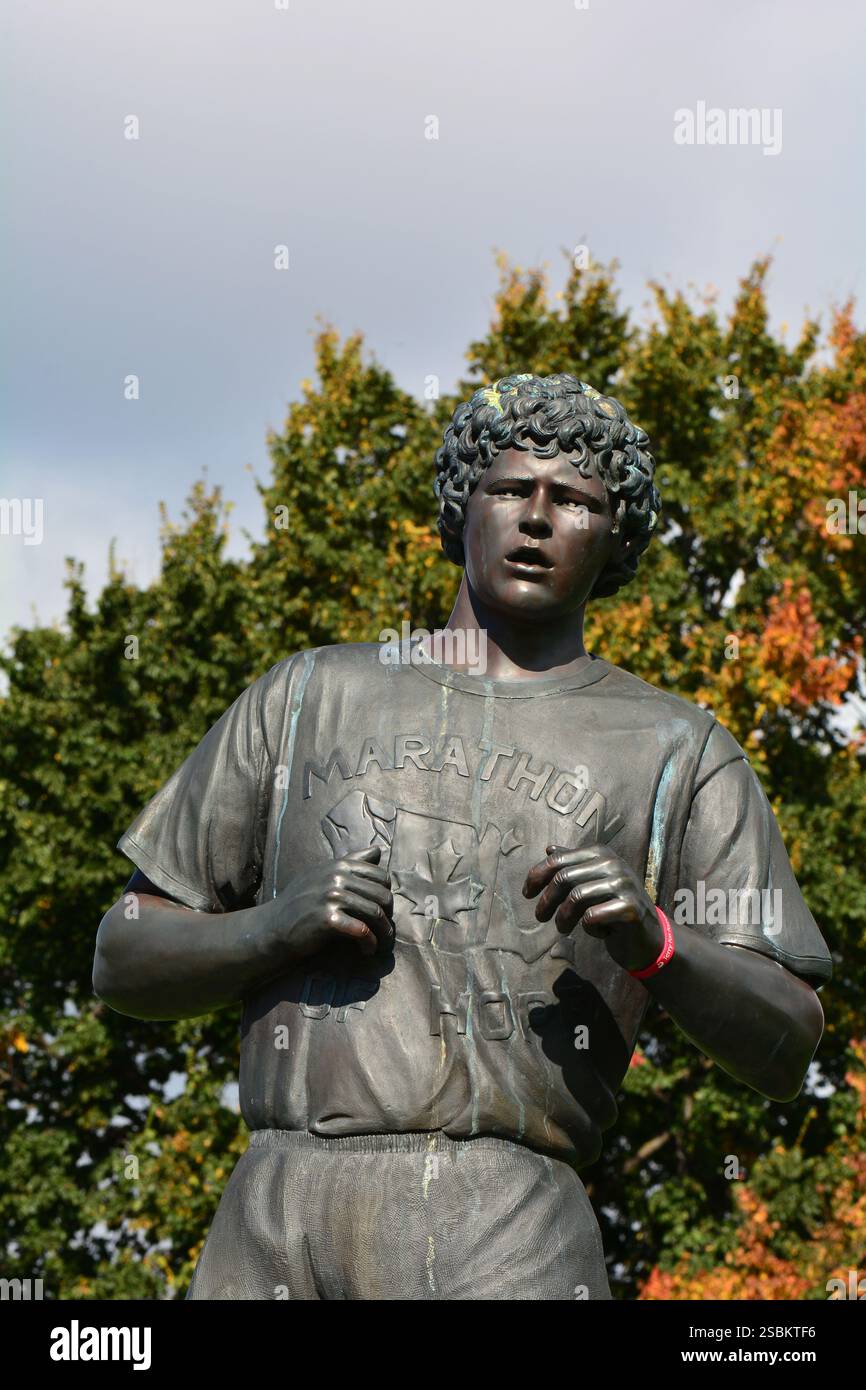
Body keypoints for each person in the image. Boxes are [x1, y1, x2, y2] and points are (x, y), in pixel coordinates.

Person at [93, 373, 831, 1300]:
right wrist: (269, 928)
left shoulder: (679, 748)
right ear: (462, 504)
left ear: (615, 536)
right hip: (274, 1210)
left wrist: (660, 948)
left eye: (574, 501)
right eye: (510, 489)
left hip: (508, 1222)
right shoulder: (307, 697)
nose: (535, 518)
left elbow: (789, 1037)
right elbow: (122, 953)